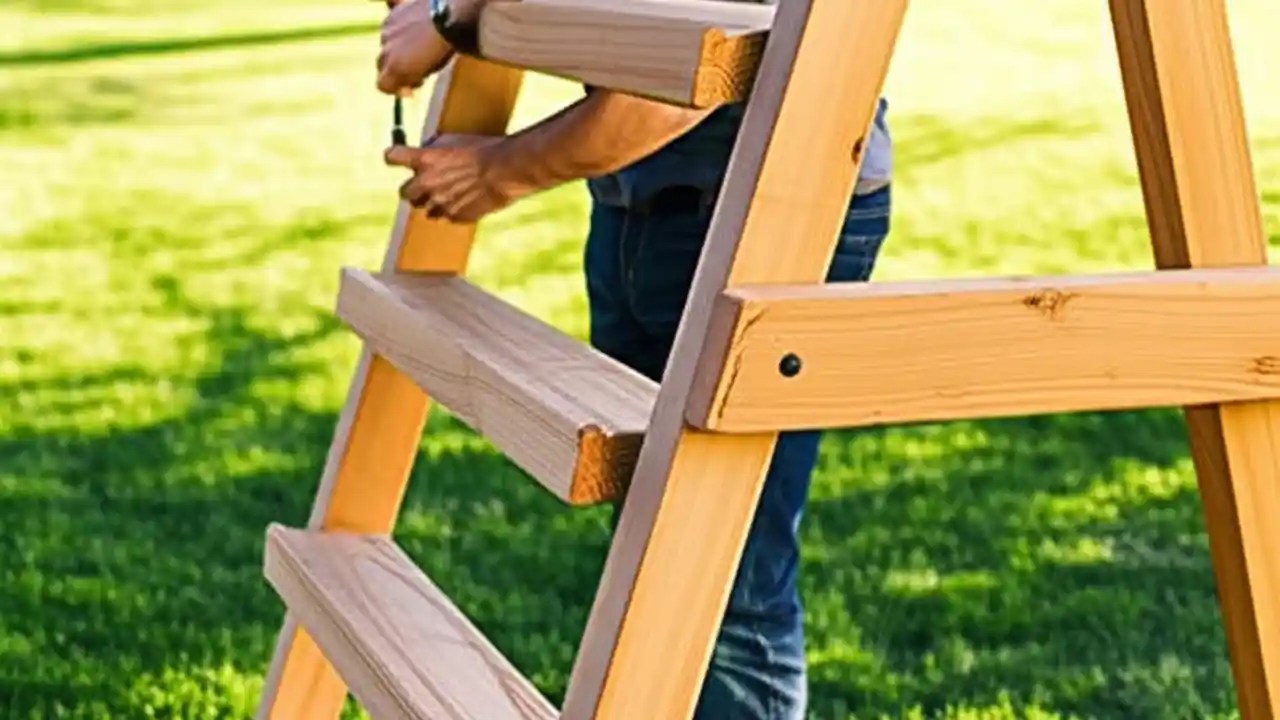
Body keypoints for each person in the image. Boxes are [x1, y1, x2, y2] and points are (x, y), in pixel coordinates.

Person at [376, 1, 892, 717]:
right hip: (641, 204)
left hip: (762, 209)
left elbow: (701, 71)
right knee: (663, 566)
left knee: (726, 586)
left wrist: (453, 37)